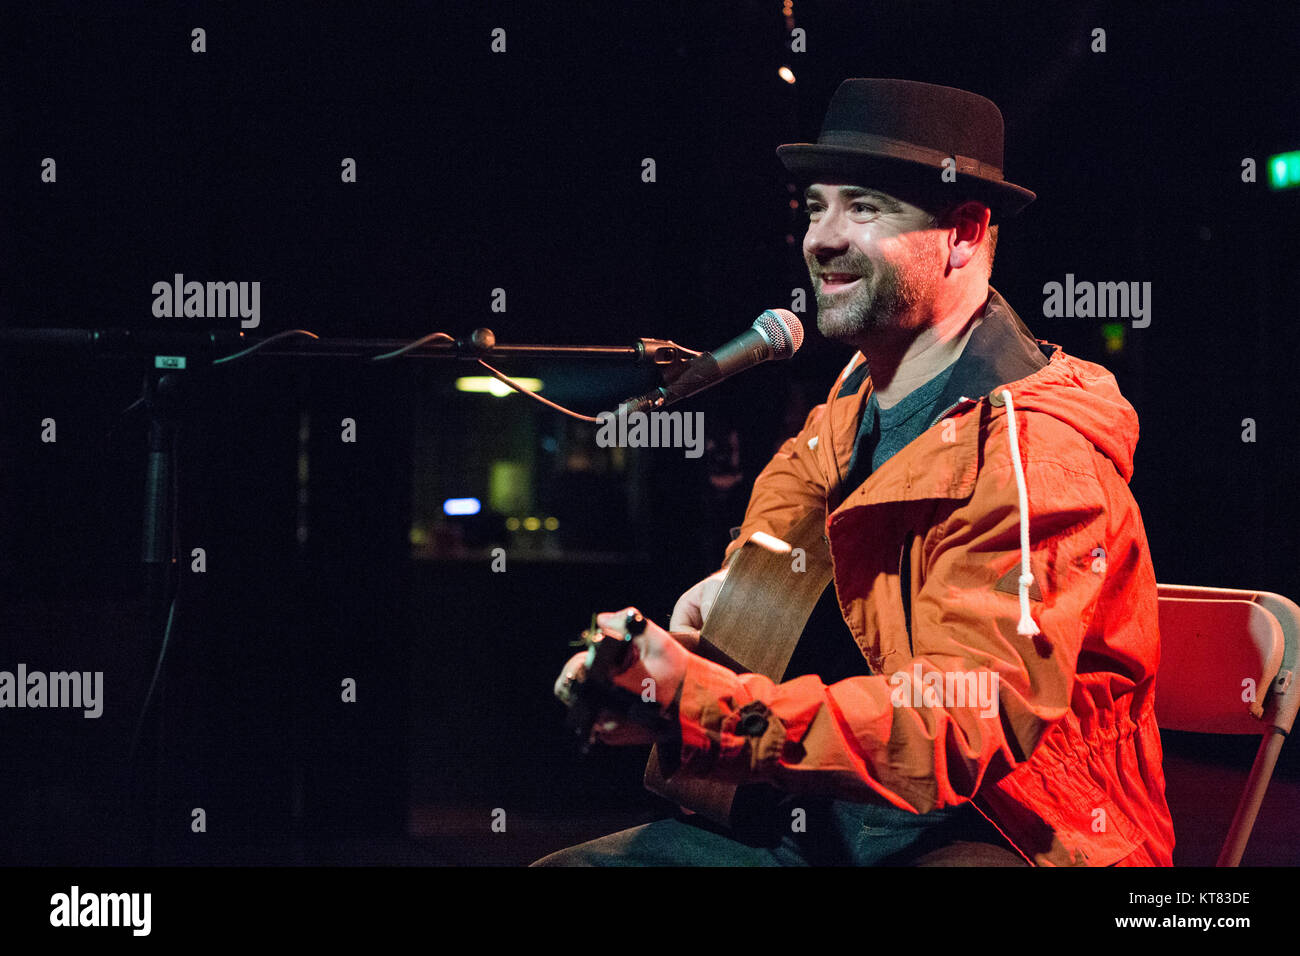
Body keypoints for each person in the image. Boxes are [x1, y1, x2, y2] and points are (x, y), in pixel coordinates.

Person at [538, 78, 1175, 867]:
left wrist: (702, 703)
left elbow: (963, 725)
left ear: (965, 233)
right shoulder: (846, 405)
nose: (821, 239)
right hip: (834, 815)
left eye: (865, 207)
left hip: (1011, 830)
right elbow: (773, 579)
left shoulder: (1033, 453)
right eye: (815, 206)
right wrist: (690, 640)